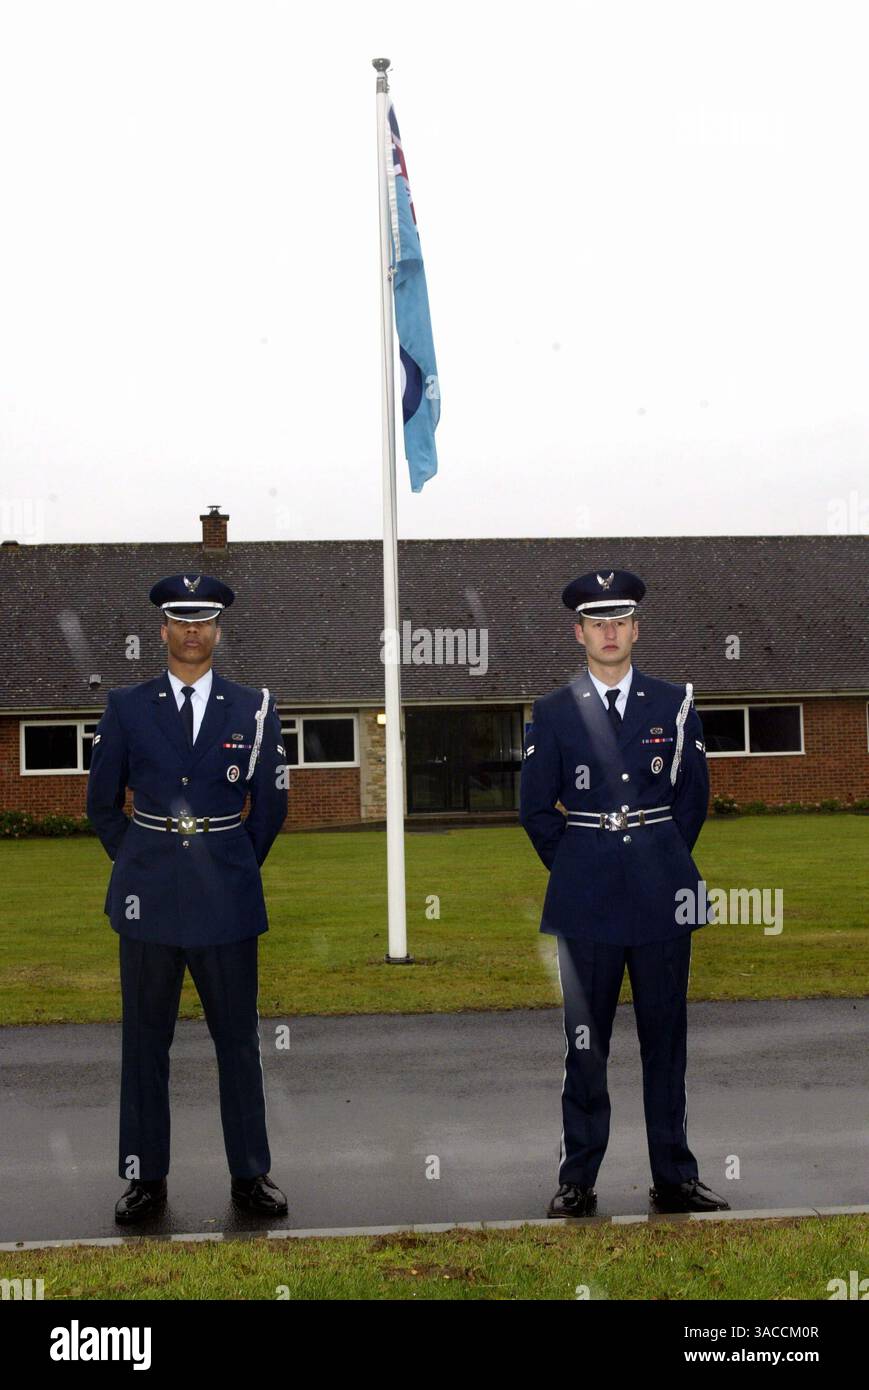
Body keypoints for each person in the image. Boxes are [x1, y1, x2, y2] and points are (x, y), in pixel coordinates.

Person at [519, 568, 729, 1217]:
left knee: (666, 1042)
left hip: (662, 898)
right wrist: (585, 863)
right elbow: (534, 810)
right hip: (585, 902)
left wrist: (657, 860)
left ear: (635, 629)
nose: (609, 633)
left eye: (620, 621)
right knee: (585, 1044)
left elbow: (691, 798)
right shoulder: (553, 712)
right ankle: (576, 1177)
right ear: (577, 632)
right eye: (596, 622)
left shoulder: (674, 702)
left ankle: (673, 1175)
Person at [86, 573, 289, 1224]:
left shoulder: (254, 706)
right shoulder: (126, 706)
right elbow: (102, 805)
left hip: (225, 898)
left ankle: (249, 1176)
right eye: (181, 620)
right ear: (164, 630)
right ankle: (145, 1180)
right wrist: (144, 864)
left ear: (217, 630)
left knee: (238, 1042)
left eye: (203, 620)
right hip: (148, 901)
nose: (192, 631)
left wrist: (228, 865)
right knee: (145, 1042)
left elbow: (271, 805)